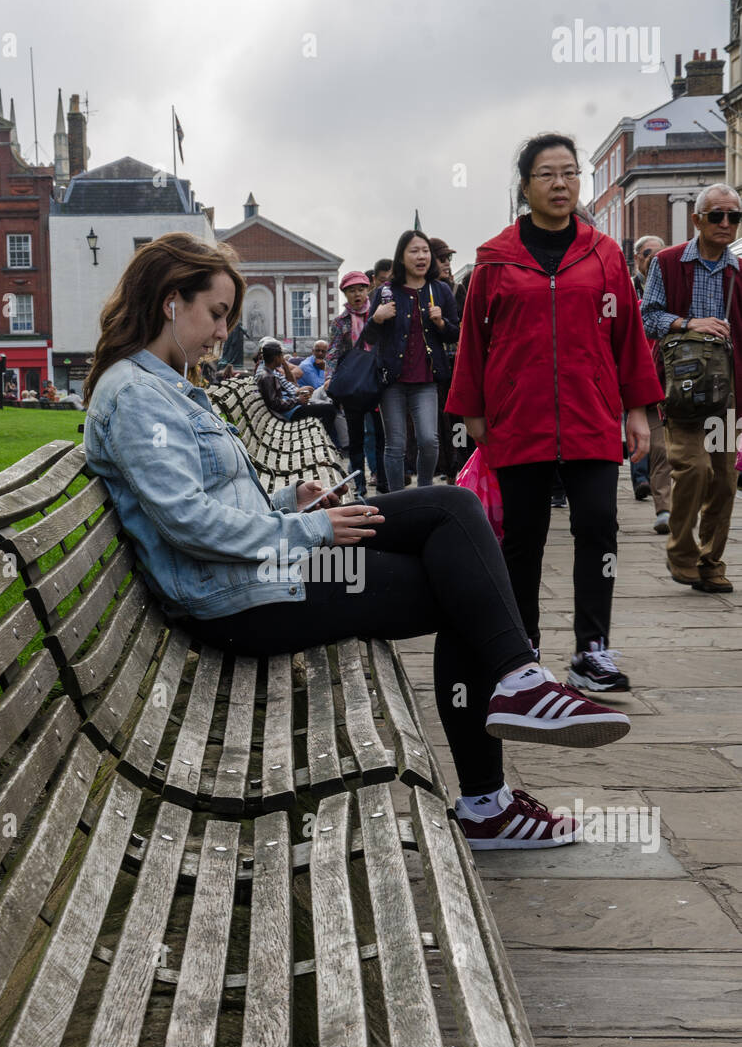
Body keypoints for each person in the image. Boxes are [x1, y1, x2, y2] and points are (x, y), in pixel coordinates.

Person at [82, 232, 631, 850]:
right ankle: (490, 791)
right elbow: (190, 524)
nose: (221, 332)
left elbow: (212, 505)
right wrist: (312, 529)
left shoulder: (164, 385)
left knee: (450, 508)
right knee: (462, 586)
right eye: (216, 314)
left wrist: (296, 501)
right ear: (169, 302)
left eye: (227, 318)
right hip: (241, 600)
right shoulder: (136, 397)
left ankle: (516, 690)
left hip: (261, 571)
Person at [447, 132, 663, 692]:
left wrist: (636, 410)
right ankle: (523, 655)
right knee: (522, 537)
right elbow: (473, 340)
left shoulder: (604, 254)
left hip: (592, 413)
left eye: (569, 172)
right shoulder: (495, 259)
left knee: (599, 526)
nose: (561, 183)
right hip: (518, 417)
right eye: (547, 173)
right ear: (525, 187)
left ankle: (592, 651)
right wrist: (472, 412)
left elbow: (628, 336)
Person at [641, 183, 741, 593]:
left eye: (733, 216)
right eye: (716, 215)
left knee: (723, 478)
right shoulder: (665, 263)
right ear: (697, 219)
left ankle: (711, 562)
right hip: (683, 391)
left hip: (727, 395)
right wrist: (687, 323)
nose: (725, 223)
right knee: (693, 469)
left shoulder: (739, 271)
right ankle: (682, 552)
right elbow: (648, 317)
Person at [361, 230, 460, 491]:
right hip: (392, 380)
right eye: (414, 251)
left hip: (426, 379)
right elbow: (368, 339)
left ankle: (424, 490)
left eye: (425, 251)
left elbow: (455, 332)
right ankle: (397, 499)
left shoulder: (440, 290)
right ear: (402, 257)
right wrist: (377, 318)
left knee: (429, 440)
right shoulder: (385, 292)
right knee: (395, 444)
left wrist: (440, 322)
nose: (421, 257)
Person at [325, 270, 387, 498]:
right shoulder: (340, 322)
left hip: (378, 382)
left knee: (381, 436)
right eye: (352, 290)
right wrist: (329, 378)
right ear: (345, 294)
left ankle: (383, 481)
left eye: (361, 288)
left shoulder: (379, 314)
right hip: (353, 387)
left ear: (368, 289)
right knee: (356, 439)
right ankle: (359, 484)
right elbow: (332, 353)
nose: (357, 294)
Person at [631, 235, 672, 533]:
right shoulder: (628, 290)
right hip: (644, 382)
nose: (655, 258)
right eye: (648, 253)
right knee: (655, 447)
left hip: (678, 379)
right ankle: (664, 508)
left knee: (676, 451)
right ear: (638, 258)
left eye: (661, 253)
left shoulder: (678, 288)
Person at [255, 340, 340, 443]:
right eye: (282, 356)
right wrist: (298, 400)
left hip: (291, 407)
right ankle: (325, 442)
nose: (283, 359)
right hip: (289, 412)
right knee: (330, 409)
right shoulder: (267, 376)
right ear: (276, 357)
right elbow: (275, 404)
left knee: (327, 407)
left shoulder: (268, 372)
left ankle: (327, 441)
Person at [428, 237, 463, 482]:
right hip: (434, 366)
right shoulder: (423, 291)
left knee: (458, 419)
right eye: (442, 259)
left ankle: (457, 465)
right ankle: (446, 466)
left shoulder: (456, 289)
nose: (447, 264)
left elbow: (462, 327)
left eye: (449, 259)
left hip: (457, 364)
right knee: (439, 420)